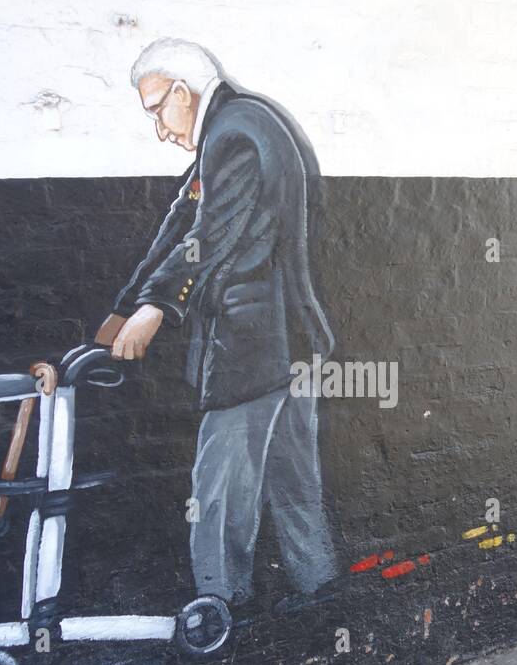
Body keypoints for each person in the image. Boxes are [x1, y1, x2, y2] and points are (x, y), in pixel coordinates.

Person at [96, 38, 338, 607]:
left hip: (253, 344)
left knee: (220, 486)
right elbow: (185, 217)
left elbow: (207, 239)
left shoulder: (231, 134)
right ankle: (318, 587)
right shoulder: (248, 120)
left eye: (157, 110)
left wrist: (155, 309)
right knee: (292, 475)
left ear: (182, 92)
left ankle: (218, 606)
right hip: (296, 338)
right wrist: (122, 309)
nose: (160, 128)